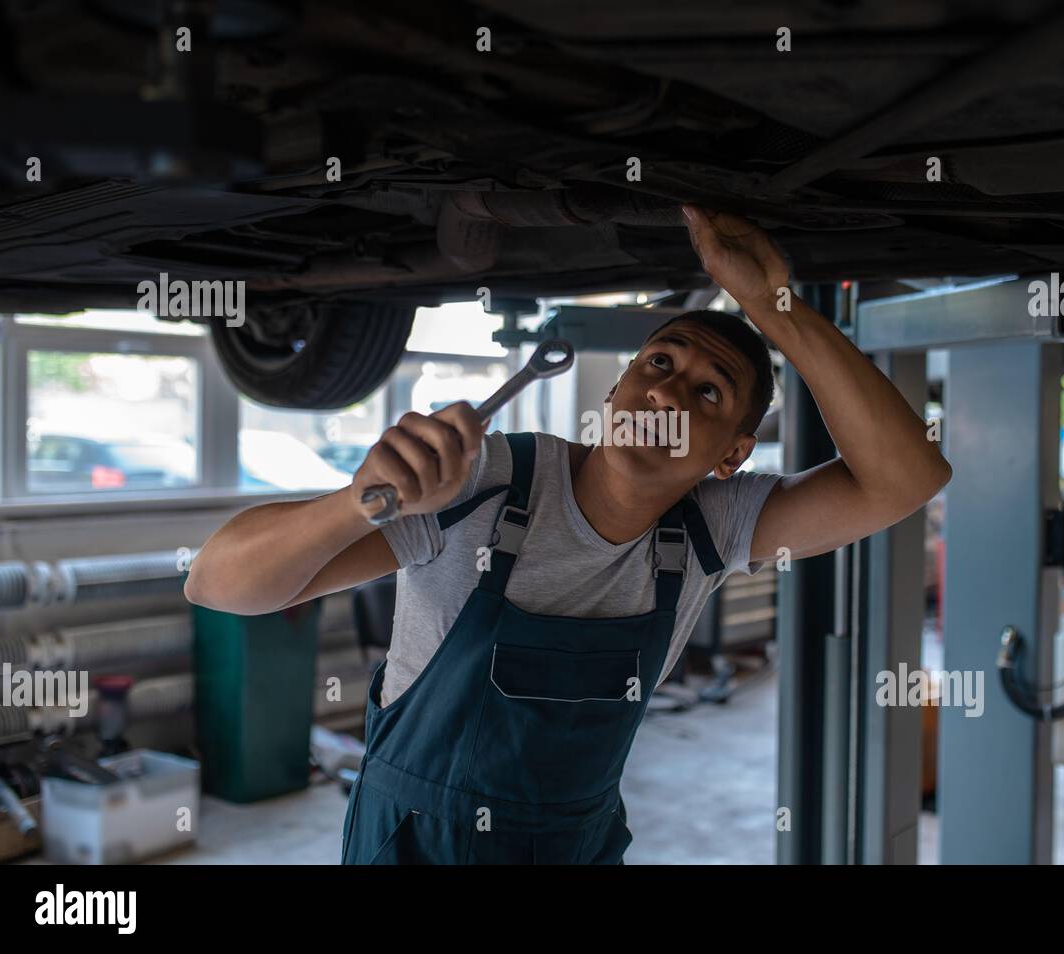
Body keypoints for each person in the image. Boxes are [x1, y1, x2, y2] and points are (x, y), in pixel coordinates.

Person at [184, 205, 952, 864]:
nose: (666, 393)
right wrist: (362, 501)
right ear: (617, 386)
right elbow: (215, 584)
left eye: (708, 391)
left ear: (732, 455)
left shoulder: (713, 529)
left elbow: (904, 479)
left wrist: (775, 304)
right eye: (659, 361)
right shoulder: (480, 485)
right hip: (414, 845)